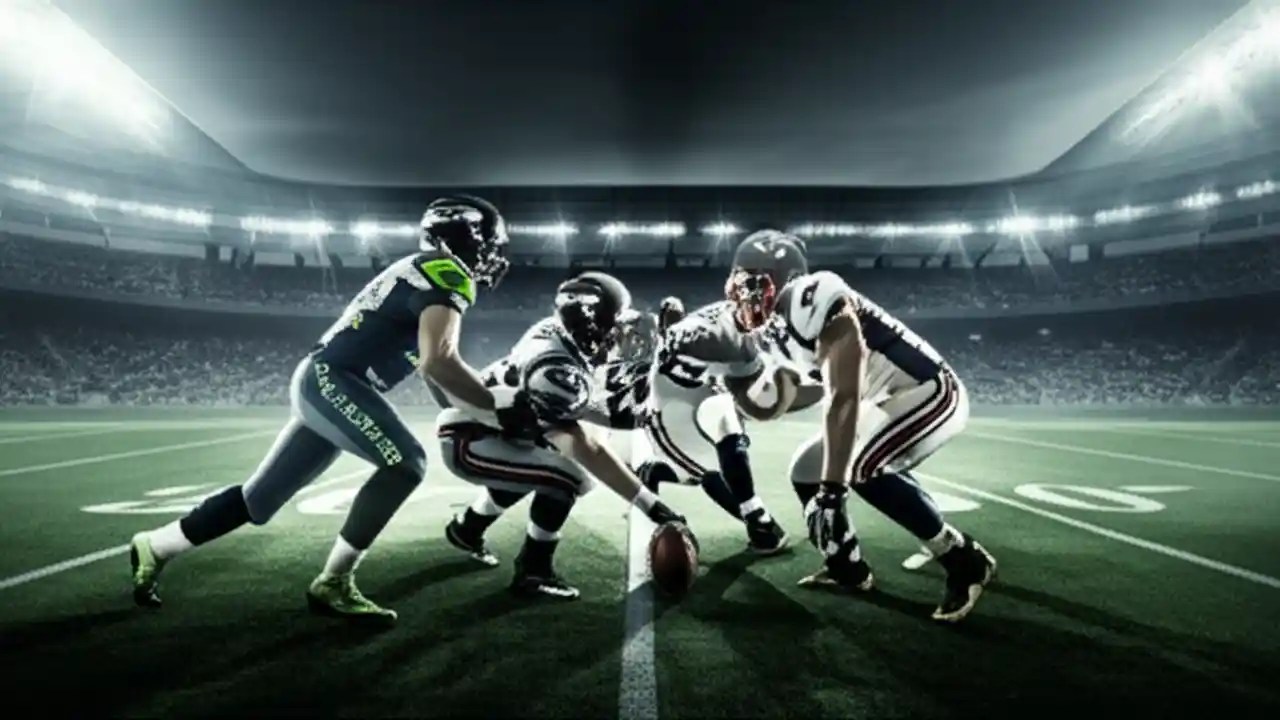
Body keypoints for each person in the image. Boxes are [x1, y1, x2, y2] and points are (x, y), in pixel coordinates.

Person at [127, 195, 532, 624]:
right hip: (335, 379)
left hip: (326, 380)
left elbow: (433, 374)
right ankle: (334, 581)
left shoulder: (425, 270)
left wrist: (472, 415)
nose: (492, 256)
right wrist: (497, 410)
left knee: (258, 501)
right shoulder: (447, 272)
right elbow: (440, 361)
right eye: (488, 244)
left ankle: (156, 545)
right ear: (463, 239)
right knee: (406, 464)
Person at [724, 229, 997, 623]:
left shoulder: (815, 295)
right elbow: (802, 394)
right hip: (882, 401)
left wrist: (833, 492)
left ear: (785, 280)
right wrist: (748, 399)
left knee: (860, 468)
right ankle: (846, 565)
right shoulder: (778, 330)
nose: (742, 293)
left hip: (928, 391)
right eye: (738, 281)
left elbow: (843, 397)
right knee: (804, 469)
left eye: (752, 282)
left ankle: (962, 559)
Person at [437, 271, 691, 599]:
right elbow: (598, 437)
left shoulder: (563, 342)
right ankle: (534, 570)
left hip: (496, 433)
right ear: (589, 324)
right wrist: (652, 505)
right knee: (570, 476)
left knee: (543, 461)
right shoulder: (555, 371)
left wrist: (651, 505)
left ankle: (467, 528)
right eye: (612, 327)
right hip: (469, 439)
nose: (617, 337)